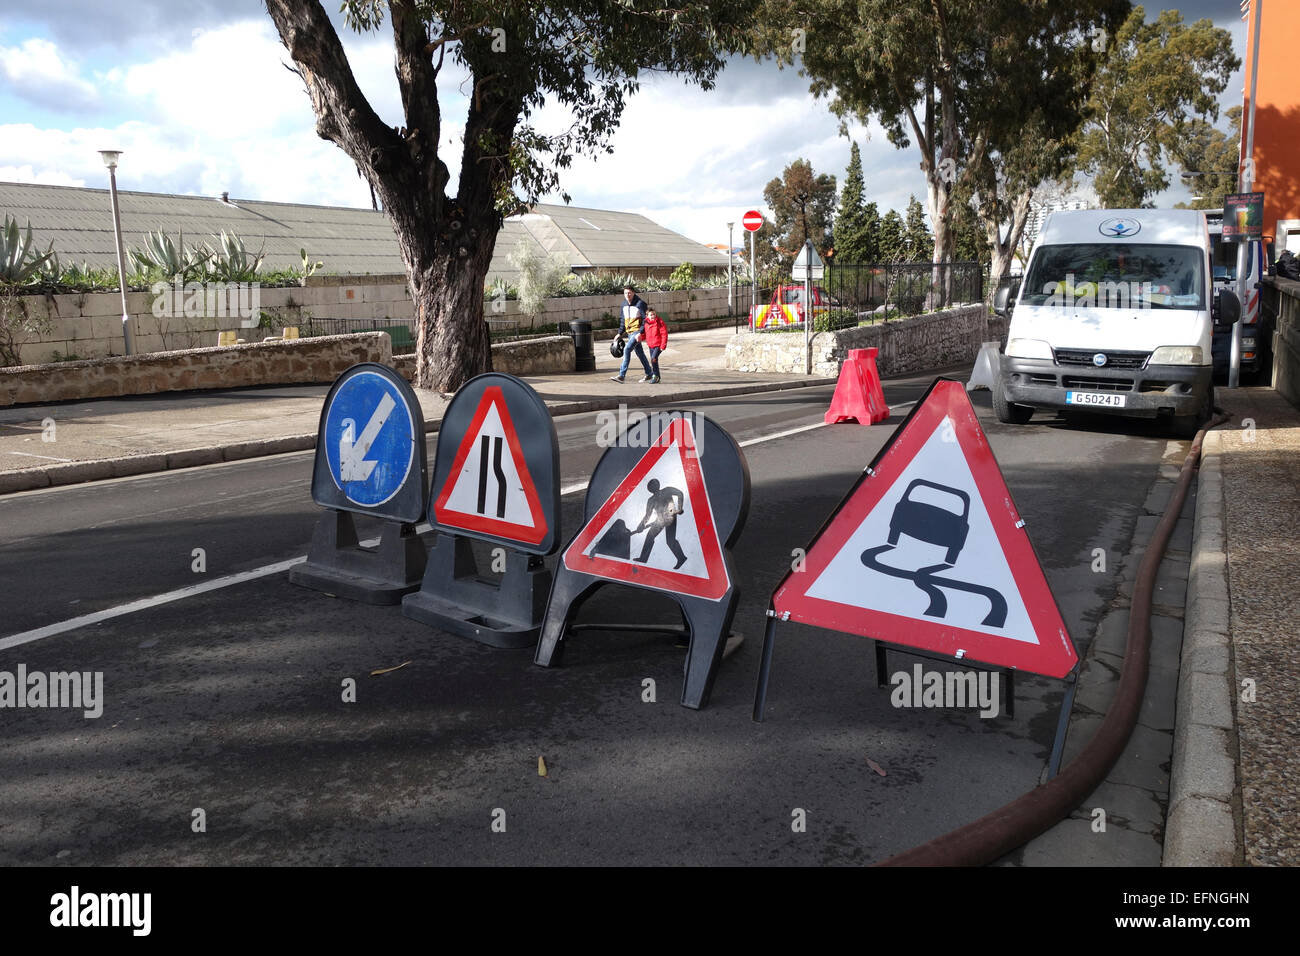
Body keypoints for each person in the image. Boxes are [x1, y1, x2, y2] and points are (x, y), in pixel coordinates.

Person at [632, 478, 687, 569]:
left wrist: (680, 507)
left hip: (670, 517)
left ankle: (681, 558)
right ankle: (643, 558)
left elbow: (680, 493)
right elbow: (647, 515)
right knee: (650, 536)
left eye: (654, 484)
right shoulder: (651, 500)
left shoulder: (667, 490)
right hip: (660, 520)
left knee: (670, 541)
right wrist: (641, 525)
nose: (653, 487)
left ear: (658, 484)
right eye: (651, 486)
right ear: (649, 489)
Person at [611, 284, 654, 383]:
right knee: (640, 353)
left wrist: (640, 333)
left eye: (629, 293)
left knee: (626, 349)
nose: (628, 295)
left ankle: (622, 376)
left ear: (633, 293)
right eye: (625, 293)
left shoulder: (640, 304)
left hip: (637, 333)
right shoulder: (623, 305)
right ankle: (649, 373)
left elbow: (646, 320)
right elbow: (623, 320)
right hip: (629, 333)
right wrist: (619, 333)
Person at [641, 309, 667, 384]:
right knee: (654, 360)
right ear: (647, 316)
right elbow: (645, 333)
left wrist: (663, 345)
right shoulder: (646, 323)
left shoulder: (659, 322)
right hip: (650, 345)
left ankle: (655, 375)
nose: (653, 316)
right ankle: (657, 377)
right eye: (651, 315)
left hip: (658, 345)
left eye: (654, 314)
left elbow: (664, 334)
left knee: (653, 359)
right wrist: (641, 338)